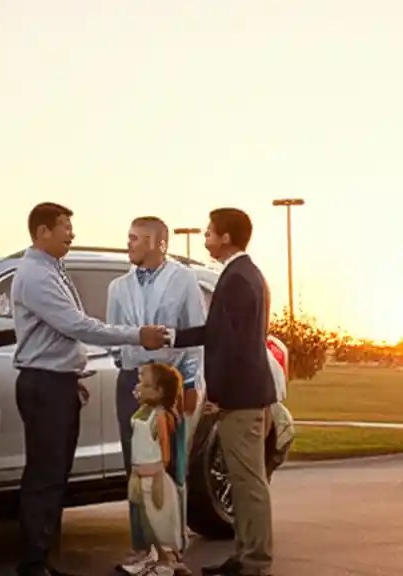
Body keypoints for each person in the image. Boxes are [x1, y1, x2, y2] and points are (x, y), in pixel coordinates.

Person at [11, 202, 167, 576]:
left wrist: (70, 375)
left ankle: (46, 559)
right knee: (45, 477)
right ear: (42, 231)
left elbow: (60, 335)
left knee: (54, 477)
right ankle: (34, 563)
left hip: (57, 381)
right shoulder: (36, 275)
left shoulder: (52, 270)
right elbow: (77, 326)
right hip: (44, 384)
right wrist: (137, 336)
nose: (72, 233)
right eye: (64, 226)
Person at [155, 208, 277, 576]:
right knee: (242, 482)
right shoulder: (242, 275)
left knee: (249, 482)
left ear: (225, 238)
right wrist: (174, 336)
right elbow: (216, 332)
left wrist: (217, 393)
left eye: (209, 233)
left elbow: (235, 345)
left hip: (242, 397)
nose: (206, 238)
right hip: (243, 394)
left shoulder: (239, 279)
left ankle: (256, 561)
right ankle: (244, 555)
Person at [108, 217, 206, 575]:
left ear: (157, 242)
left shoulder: (183, 280)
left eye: (136, 238)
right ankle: (141, 548)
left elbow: (195, 334)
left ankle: (171, 549)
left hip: (170, 381)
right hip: (132, 380)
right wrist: (130, 363)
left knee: (169, 465)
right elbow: (114, 332)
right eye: (129, 236)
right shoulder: (118, 287)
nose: (129, 243)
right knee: (136, 467)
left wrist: (192, 383)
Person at [127, 362, 190, 576]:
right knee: (146, 521)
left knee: (160, 520)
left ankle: (169, 562)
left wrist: (158, 473)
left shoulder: (161, 416)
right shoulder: (143, 412)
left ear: (159, 391)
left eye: (144, 385)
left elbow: (165, 449)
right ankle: (151, 558)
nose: (138, 388)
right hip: (140, 477)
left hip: (155, 480)